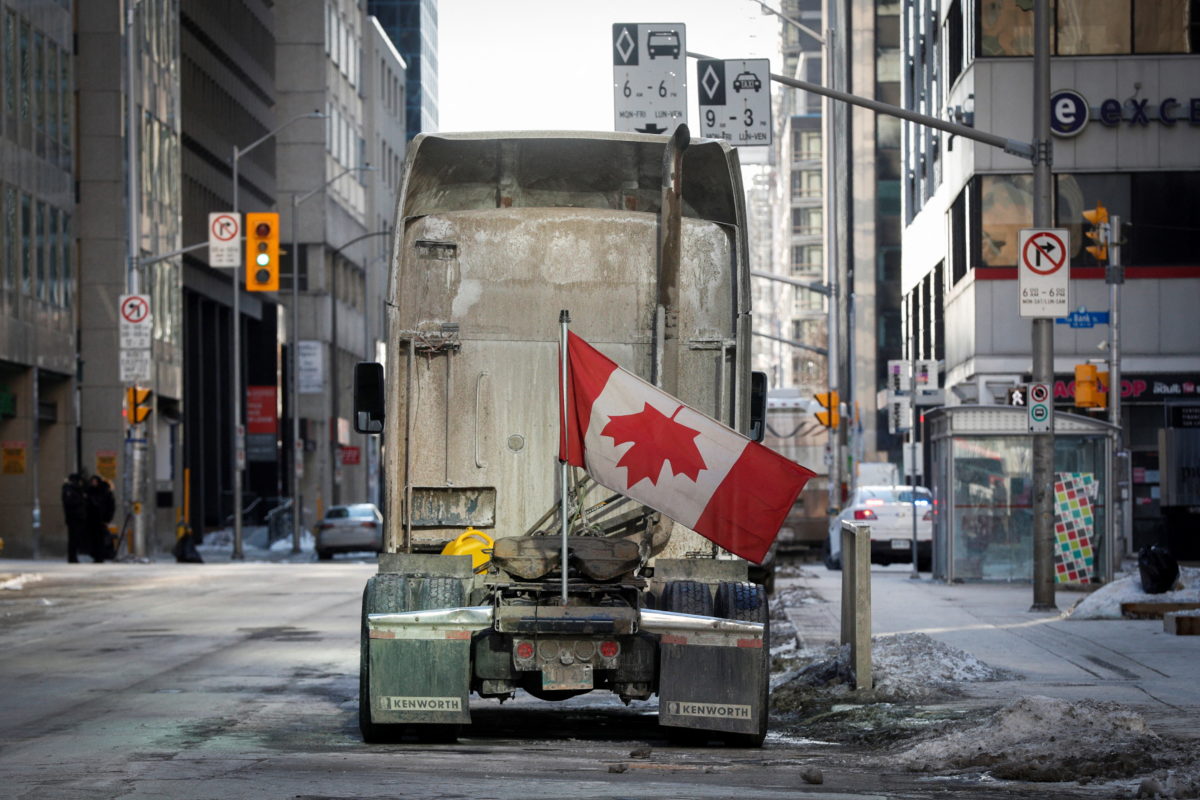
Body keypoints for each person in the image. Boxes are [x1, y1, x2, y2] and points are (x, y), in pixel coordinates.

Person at [85, 475, 117, 562]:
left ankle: (100, 556)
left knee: (100, 538)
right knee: (93, 538)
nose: (94, 483)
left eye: (95, 481)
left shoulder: (104, 492)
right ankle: (96, 555)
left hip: (101, 520)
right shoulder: (89, 491)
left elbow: (110, 506)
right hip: (92, 520)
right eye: (92, 481)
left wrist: (107, 519)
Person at [61, 473, 88, 563]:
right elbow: (69, 503)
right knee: (73, 538)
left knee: (76, 538)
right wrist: (81, 500)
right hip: (73, 517)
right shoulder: (69, 490)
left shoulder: (77, 490)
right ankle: (72, 557)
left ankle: (73, 556)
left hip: (78, 517)